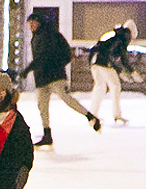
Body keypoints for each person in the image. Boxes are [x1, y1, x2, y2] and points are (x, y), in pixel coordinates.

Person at [22, 15, 99, 146]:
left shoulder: (50, 36)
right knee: (42, 105)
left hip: (54, 75)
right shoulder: (36, 37)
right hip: (41, 77)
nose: (31, 26)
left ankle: (89, 116)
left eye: (33, 23)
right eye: (30, 24)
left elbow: (45, 56)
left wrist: (31, 68)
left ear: (39, 23)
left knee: (65, 97)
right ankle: (47, 134)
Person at [87, 21, 135, 124]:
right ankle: (117, 115)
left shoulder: (113, 35)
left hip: (94, 62)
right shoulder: (121, 39)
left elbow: (99, 48)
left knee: (100, 87)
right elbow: (122, 58)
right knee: (115, 86)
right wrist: (128, 71)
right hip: (104, 64)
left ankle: (92, 114)